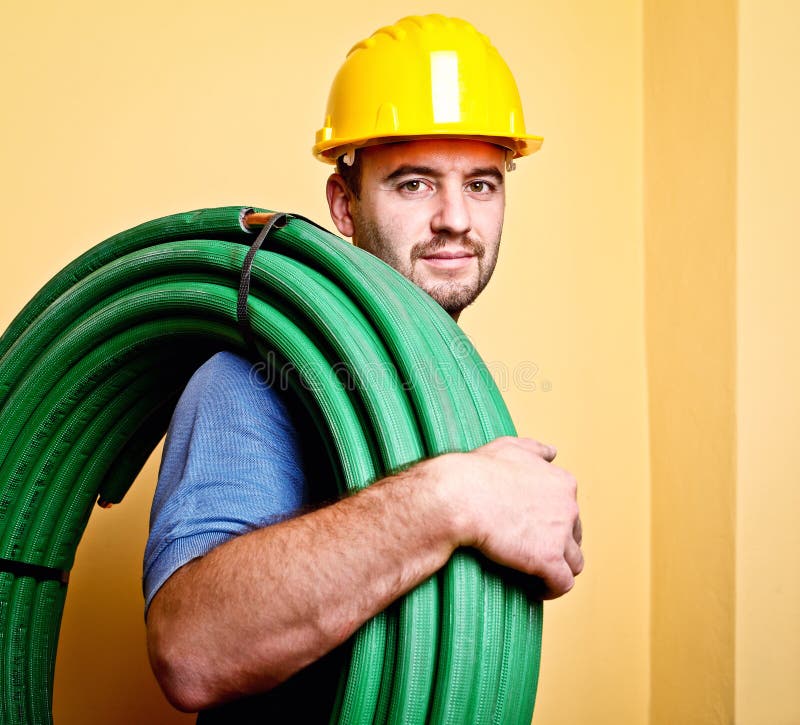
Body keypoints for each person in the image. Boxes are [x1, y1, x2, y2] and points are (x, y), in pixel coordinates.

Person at [144, 14, 583, 718]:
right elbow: (189, 650)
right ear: (344, 207)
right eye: (414, 184)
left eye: (481, 184)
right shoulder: (250, 382)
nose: (455, 219)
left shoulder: (453, 396)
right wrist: (452, 499)